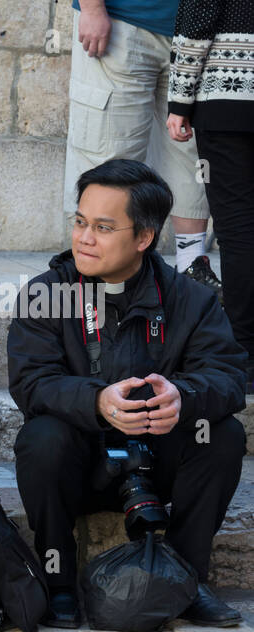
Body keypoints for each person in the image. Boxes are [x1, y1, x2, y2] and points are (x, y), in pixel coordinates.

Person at [8, 159, 247, 629]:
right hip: (82, 461)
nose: (84, 238)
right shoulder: (45, 293)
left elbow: (229, 376)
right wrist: (97, 402)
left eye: (102, 227)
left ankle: (185, 577)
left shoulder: (190, 299)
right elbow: (31, 382)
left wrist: (183, 397)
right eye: (80, 222)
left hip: (156, 459)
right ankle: (58, 580)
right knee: (41, 437)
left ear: (143, 237)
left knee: (222, 436)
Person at [65, 1, 222, 296]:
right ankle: (98, 272)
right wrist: (92, 9)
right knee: (110, 151)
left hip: (197, 27)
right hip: (123, 17)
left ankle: (192, 263)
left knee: (192, 150)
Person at [167, 0, 254, 391]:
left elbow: (197, 20)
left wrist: (179, 101)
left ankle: (246, 354)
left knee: (238, 230)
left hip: (228, 104)